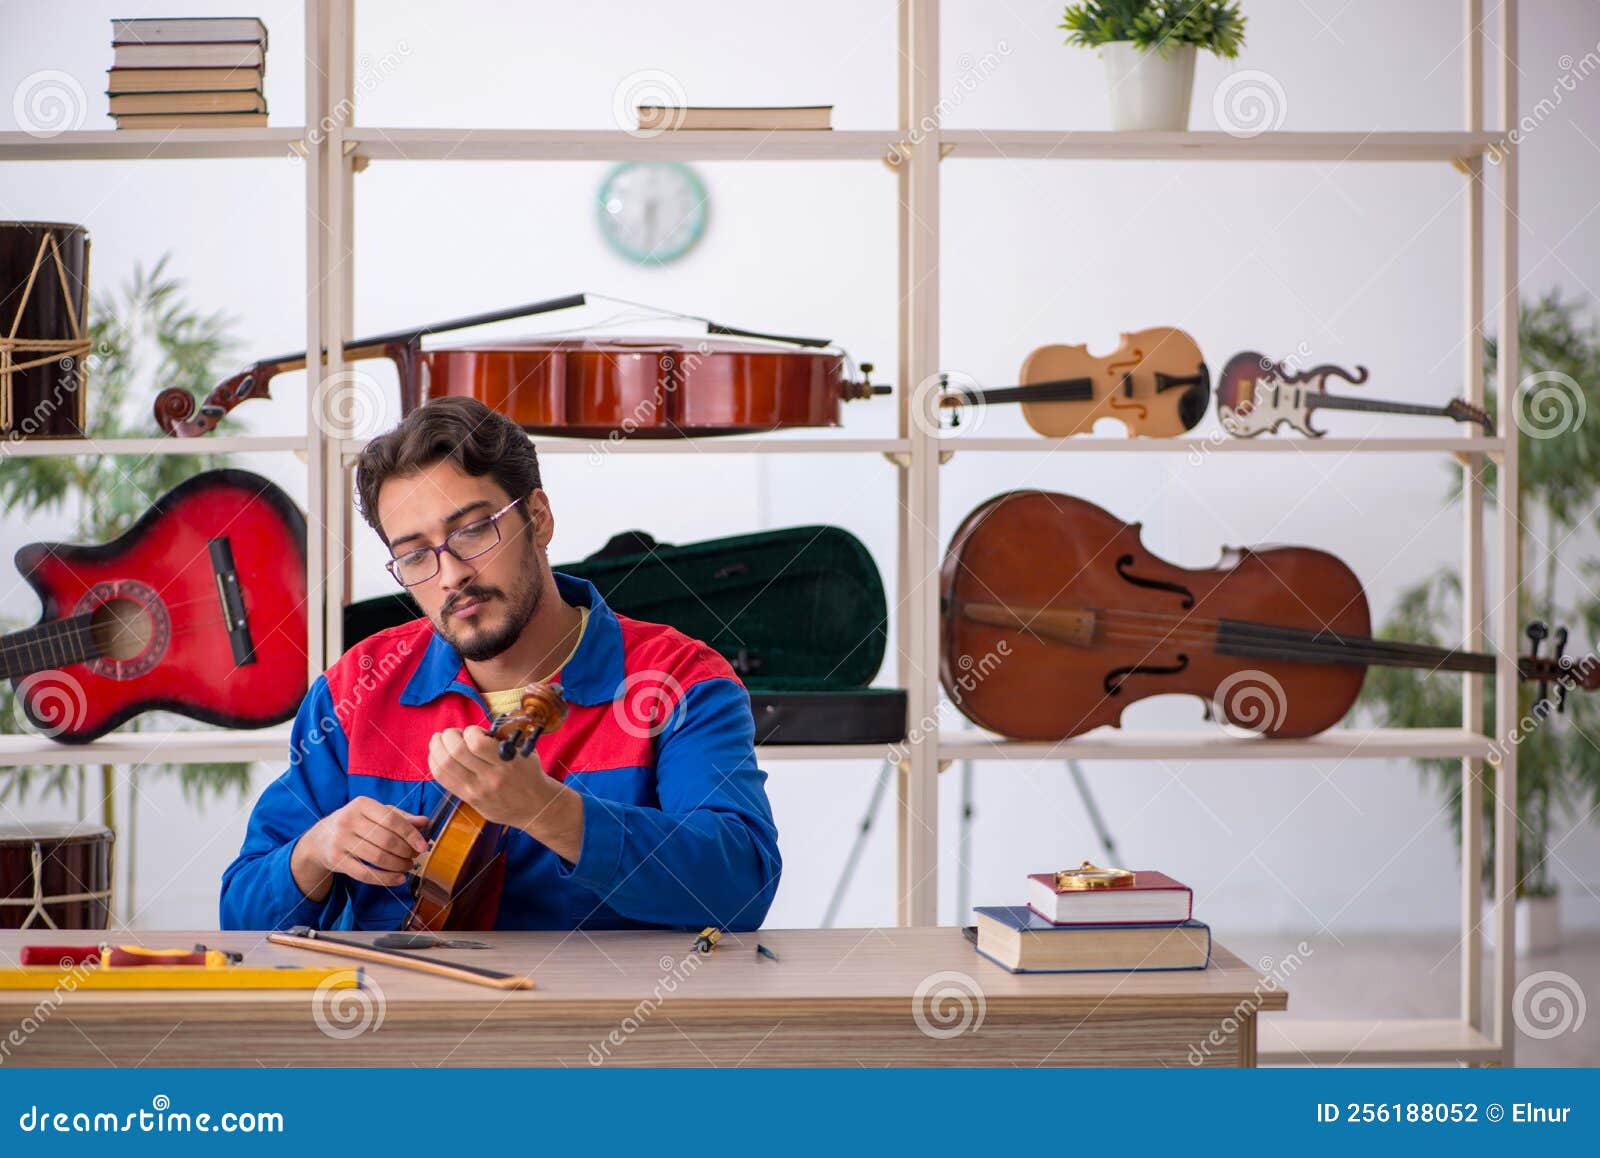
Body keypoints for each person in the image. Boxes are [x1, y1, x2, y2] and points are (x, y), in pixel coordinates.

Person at [220, 396, 781, 931]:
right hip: (403, 1025)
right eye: (415, 555)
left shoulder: (679, 681)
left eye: (472, 531)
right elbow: (240, 916)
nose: (450, 575)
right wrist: (314, 853)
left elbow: (742, 884)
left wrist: (551, 812)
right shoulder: (353, 690)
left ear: (538, 518)